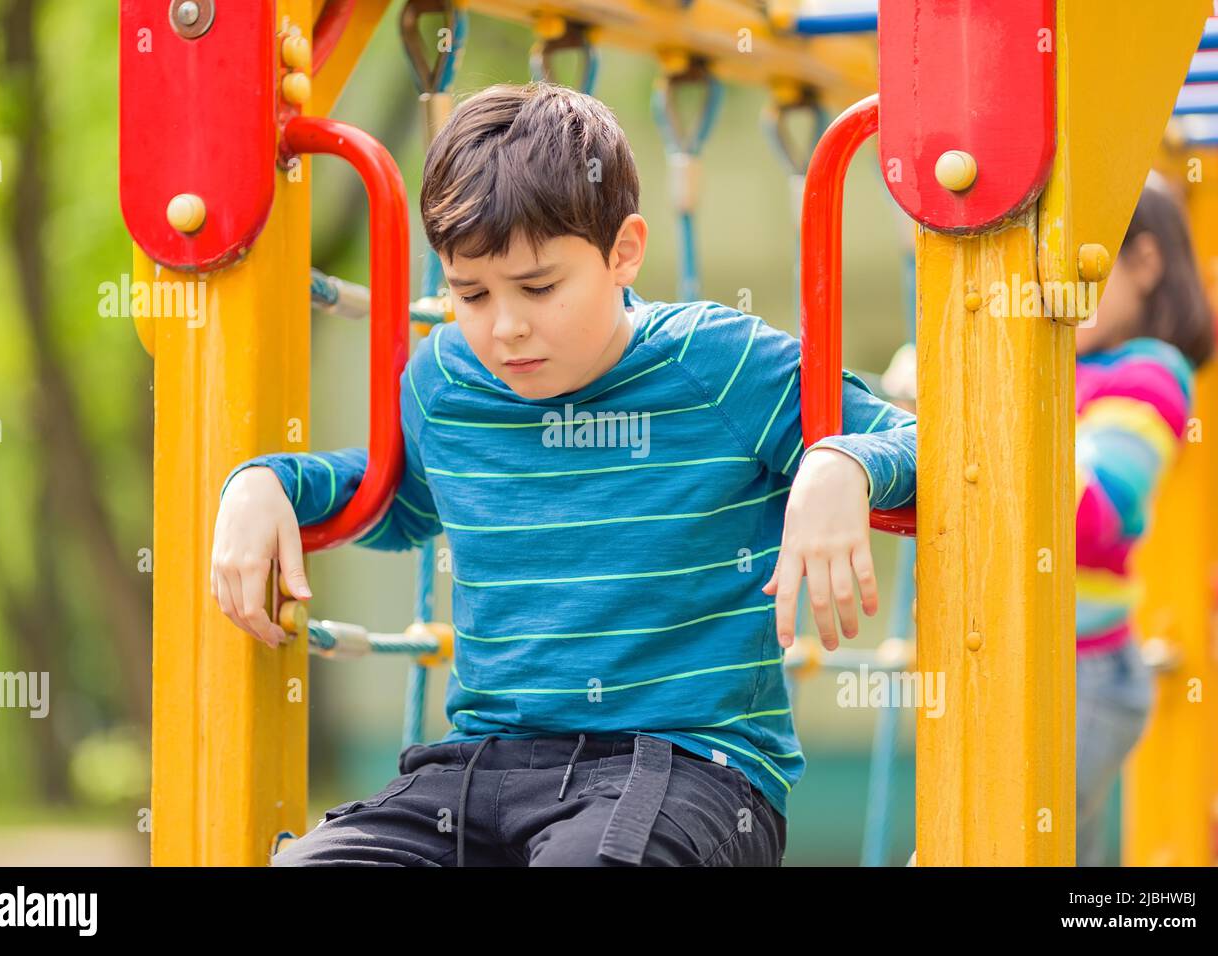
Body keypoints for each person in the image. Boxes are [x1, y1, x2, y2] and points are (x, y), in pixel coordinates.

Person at [211, 82, 917, 867]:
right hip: (482, 769)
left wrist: (840, 461)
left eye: (539, 287)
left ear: (624, 251)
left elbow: (920, 444)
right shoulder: (448, 381)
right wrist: (264, 483)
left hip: (687, 767)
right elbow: (393, 497)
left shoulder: (720, 365)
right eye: (470, 292)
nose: (506, 326)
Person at [1072, 179, 1216, 865]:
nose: (1050, 291)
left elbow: (1093, 515)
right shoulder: (1063, 369)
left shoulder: (1147, 375)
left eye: (1077, 266)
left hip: (1084, 672)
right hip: (1039, 665)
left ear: (1145, 262)